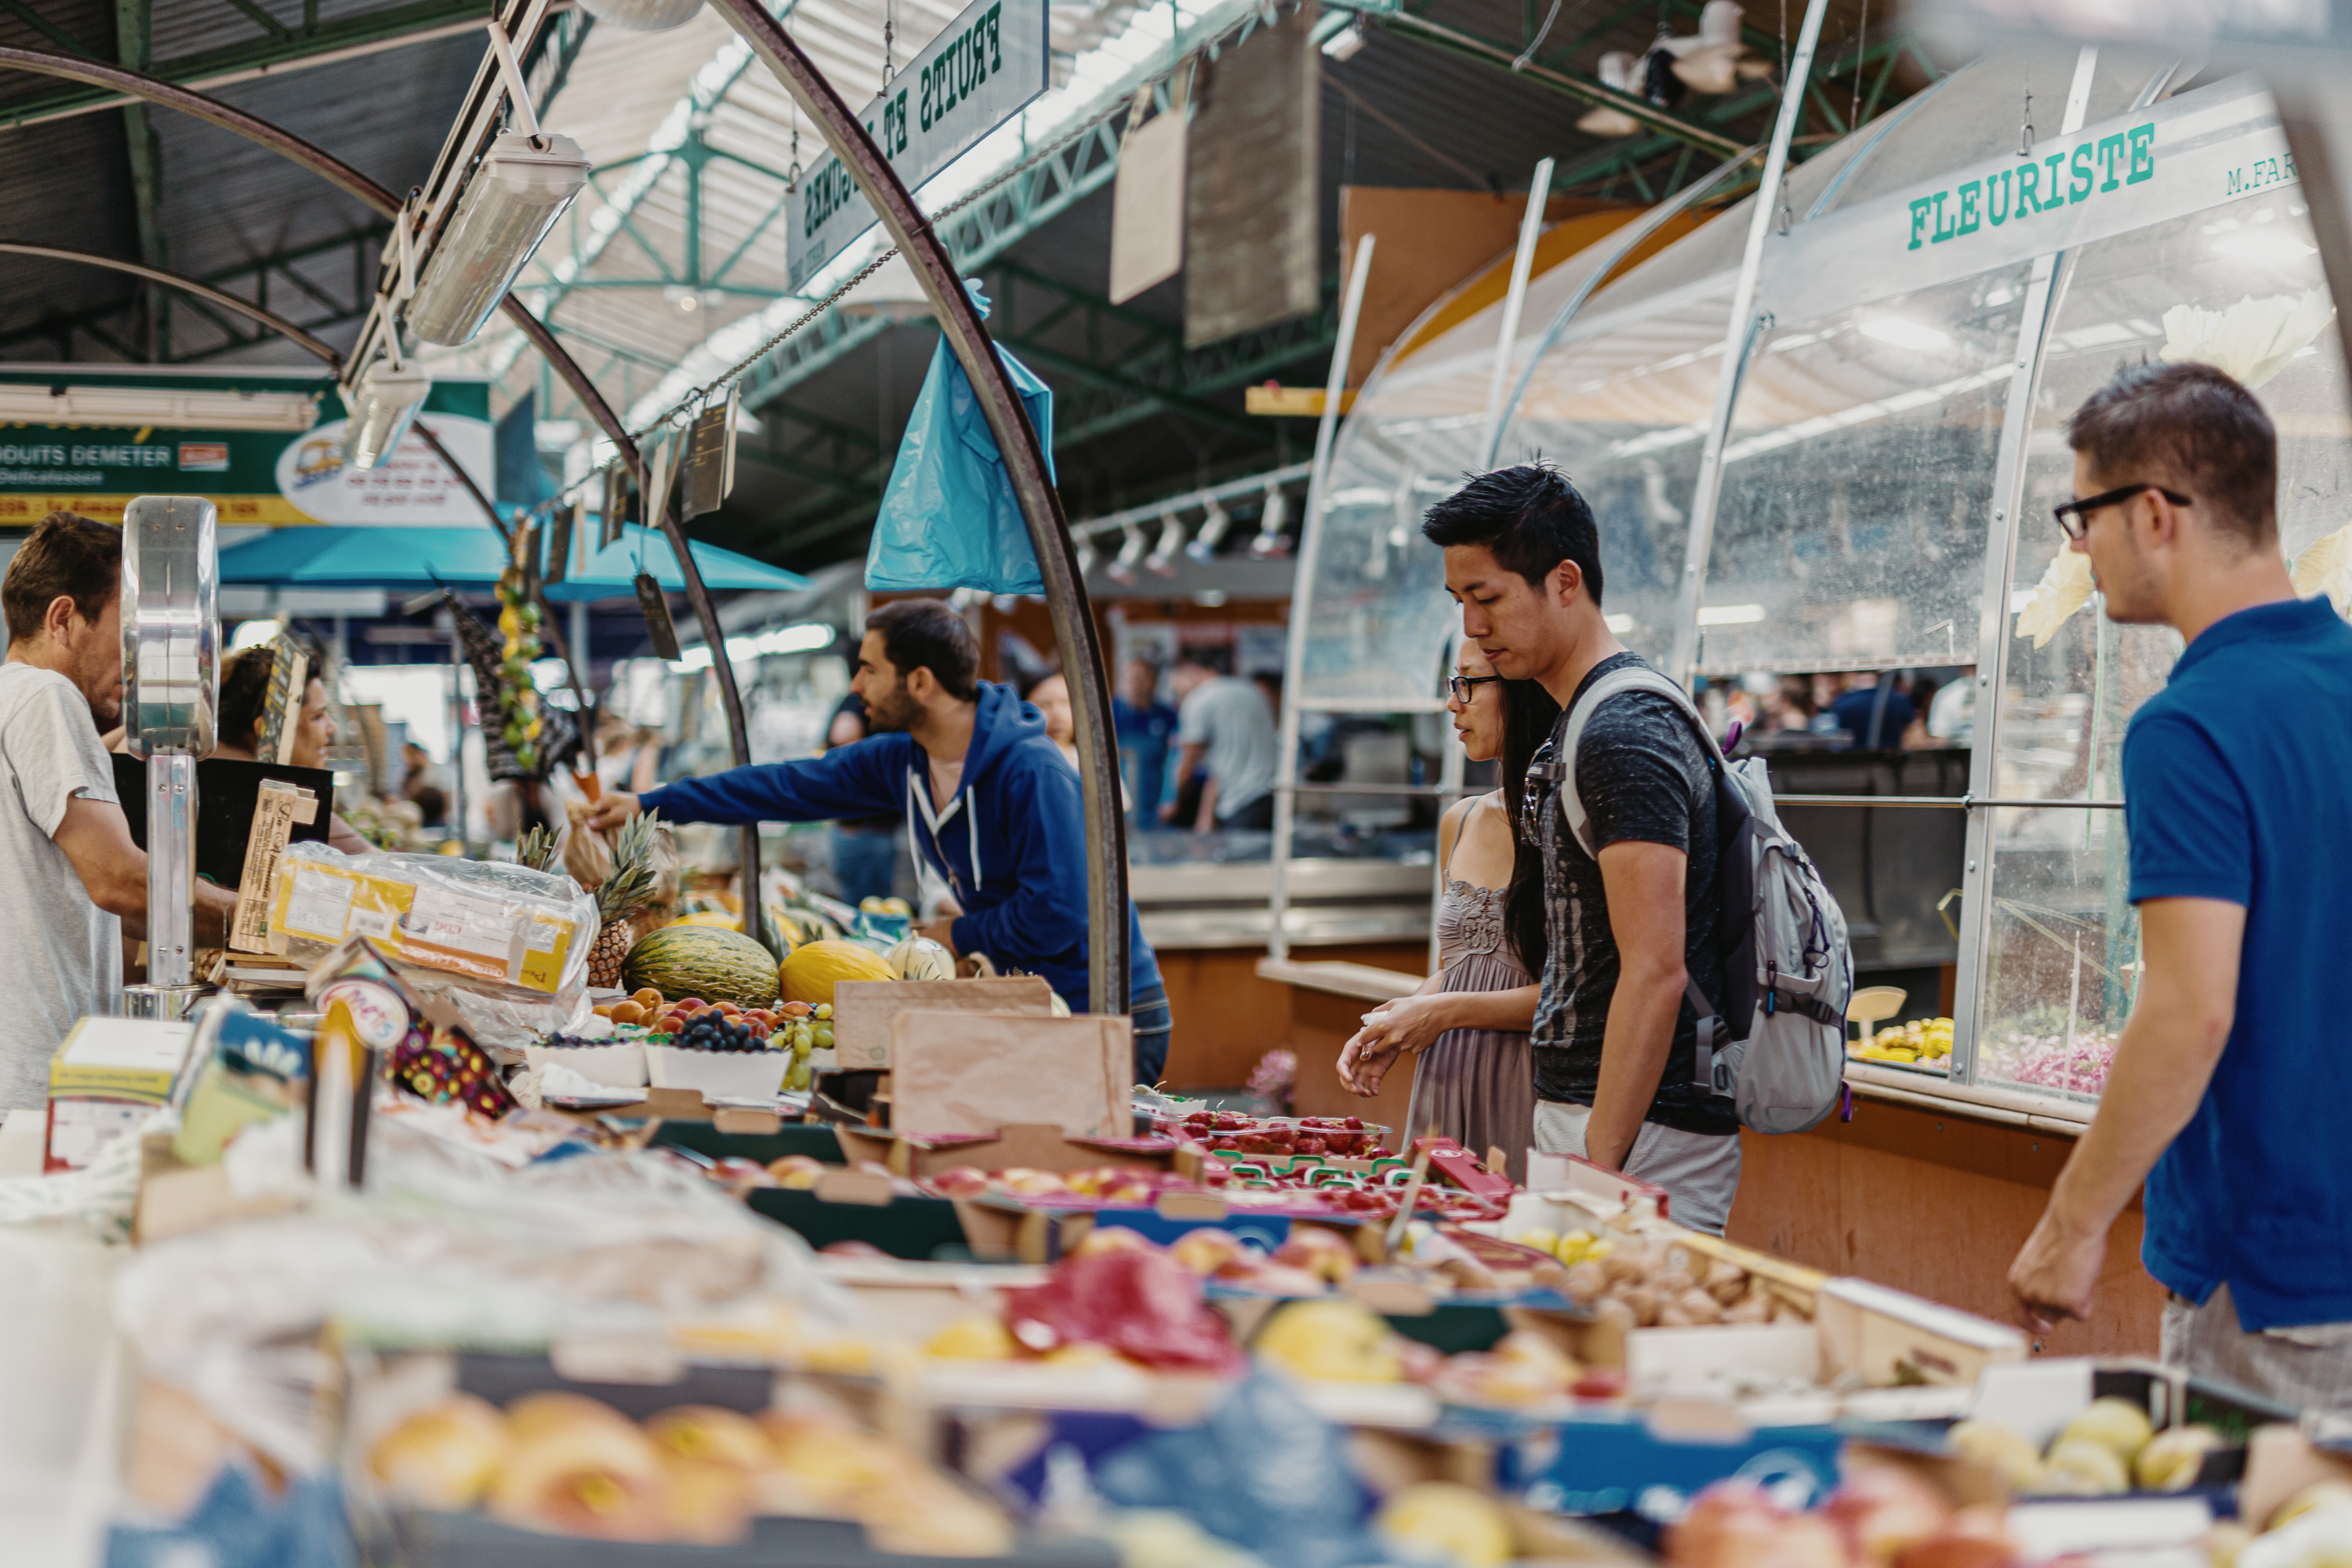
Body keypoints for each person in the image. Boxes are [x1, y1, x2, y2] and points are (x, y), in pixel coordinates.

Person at [2006, 361, 2352, 1409]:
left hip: (2274, 1281)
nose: (2080, 546)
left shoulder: (2191, 724)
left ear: (2154, 514)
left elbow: (2190, 1009)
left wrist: (2070, 1227)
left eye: (2084, 514)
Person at [589, 600, 1174, 1082]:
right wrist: (650, 802)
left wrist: (957, 933)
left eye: (869, 669)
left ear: (919, 682)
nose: (856, 684)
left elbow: (1061, 911)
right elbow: (789, 785)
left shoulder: (1032, 772)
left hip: (1103, 1013)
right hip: (1033, 1004)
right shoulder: (907, 760)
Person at [1421, 465, 1739, 1233]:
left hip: (1637, 1129)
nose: (1473, 626)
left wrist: (1600, 1154)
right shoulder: (1583, 721)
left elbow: (1655, 969)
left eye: (1488, 597)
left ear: (1565, 581)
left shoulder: (1622, 732)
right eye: (1460, 601)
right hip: (1596, 1114)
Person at [0, 513, 236, 1113]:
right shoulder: (46, 696)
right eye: (128, 630)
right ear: (63, 618)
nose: (139, 659)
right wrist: (264, 922)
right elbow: (120, 884)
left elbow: (79, 900)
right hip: (36, 1082)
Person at [1334, 644, 1557, 1182]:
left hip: (1532, 1082)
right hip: (1446, 1072)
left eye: (1468, 684)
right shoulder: (1460, 819)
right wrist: (1398, 1021)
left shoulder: (1566, 823)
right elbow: (1456, 967)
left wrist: (1441, 1012)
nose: (1453, 703)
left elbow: (1580, 995)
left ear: (1523, 690)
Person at [214, 645, 374, 855]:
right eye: (318, 717)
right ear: (269, 729)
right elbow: (378, 863)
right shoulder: (280, 796)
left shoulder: (212, 770)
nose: (332, 727)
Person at [1166, 650, 1279, 832]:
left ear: (1190, 672)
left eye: (1177, 689)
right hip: (1269, 798)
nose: (1179, 695)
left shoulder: (1200, 698)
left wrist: (1173, 803)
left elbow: (1187, 763)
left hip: (1236, 803)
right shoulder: (1253, 691)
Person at [823, 689, 902, 908]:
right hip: (863, 835)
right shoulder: (858, 701)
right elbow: (842, 734)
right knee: (868, 913)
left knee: (878, 909)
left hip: (868, 835)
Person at [1112, 657, 1178, 821]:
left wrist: (1170, 798)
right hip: (1119, 799)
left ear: (1154, 682)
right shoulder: (1111, 712)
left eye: (1142, 679)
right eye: (1130, 679)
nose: (1136, 685)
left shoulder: (1167, 716)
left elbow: (1175, 758)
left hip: (1154, 800)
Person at [1828, 672, 1914, 749]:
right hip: (1891, 757)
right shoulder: (1900, 700)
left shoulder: (1842, 703)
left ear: (1853, 675)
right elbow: (1910, 732)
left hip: (1854, 758)